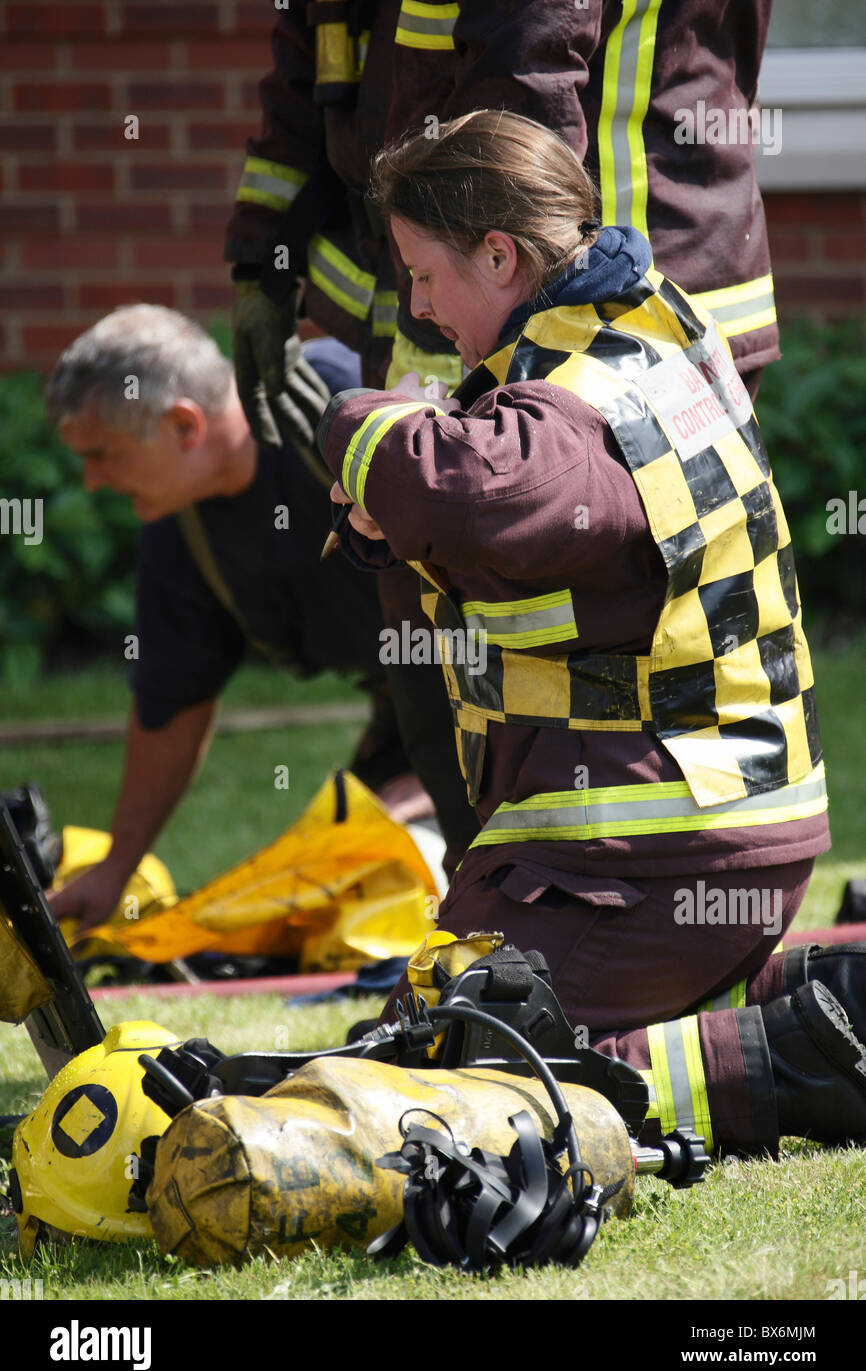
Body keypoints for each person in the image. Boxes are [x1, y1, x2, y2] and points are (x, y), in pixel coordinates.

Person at [315, 110, 866, 1157]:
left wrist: (355, 421)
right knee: (409, 1040)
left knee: (448, 1075)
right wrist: (400, 528)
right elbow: (556, 560)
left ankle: (789, 1066)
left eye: (424, 274)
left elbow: (482, 492)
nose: (418, 308)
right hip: (706, 846)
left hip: (649, 857)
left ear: (499, 253)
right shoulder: (641, 338)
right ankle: (815, 999)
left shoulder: (570, 403)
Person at [224, 0, 780, 873]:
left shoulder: (505, 264)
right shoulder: (456, 279)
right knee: (466, 631)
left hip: (595, 316)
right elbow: (322, 56)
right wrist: (264, 254)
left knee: (584, 635)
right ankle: (520, 921)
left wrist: (471, 356)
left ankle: (598, 910)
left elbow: (522, 90)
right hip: (539, 298)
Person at [43, 305, 432, 933]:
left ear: (183, 424)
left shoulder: (353, 412)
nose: (90, 482)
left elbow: (513, 582)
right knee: (335, 902)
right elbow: (172, 705)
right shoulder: (179, 526)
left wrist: (446, 776)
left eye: (102, 455)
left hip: (519, 720)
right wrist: (117, 868)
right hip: (410, 719)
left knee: (445, 888)